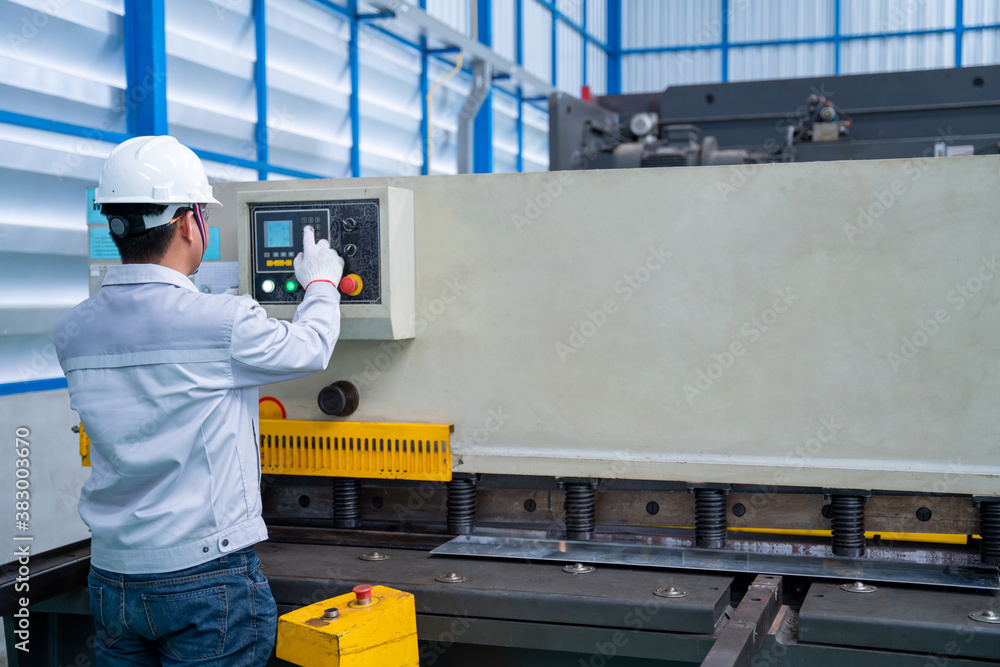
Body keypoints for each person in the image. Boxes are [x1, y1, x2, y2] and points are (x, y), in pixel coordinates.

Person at [54, 135, 344, 665]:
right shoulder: (220, 321)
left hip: (113, 578)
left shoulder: (73, 330)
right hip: (204, 578)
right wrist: (322, 284)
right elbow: (310, 348)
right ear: (190, 222)